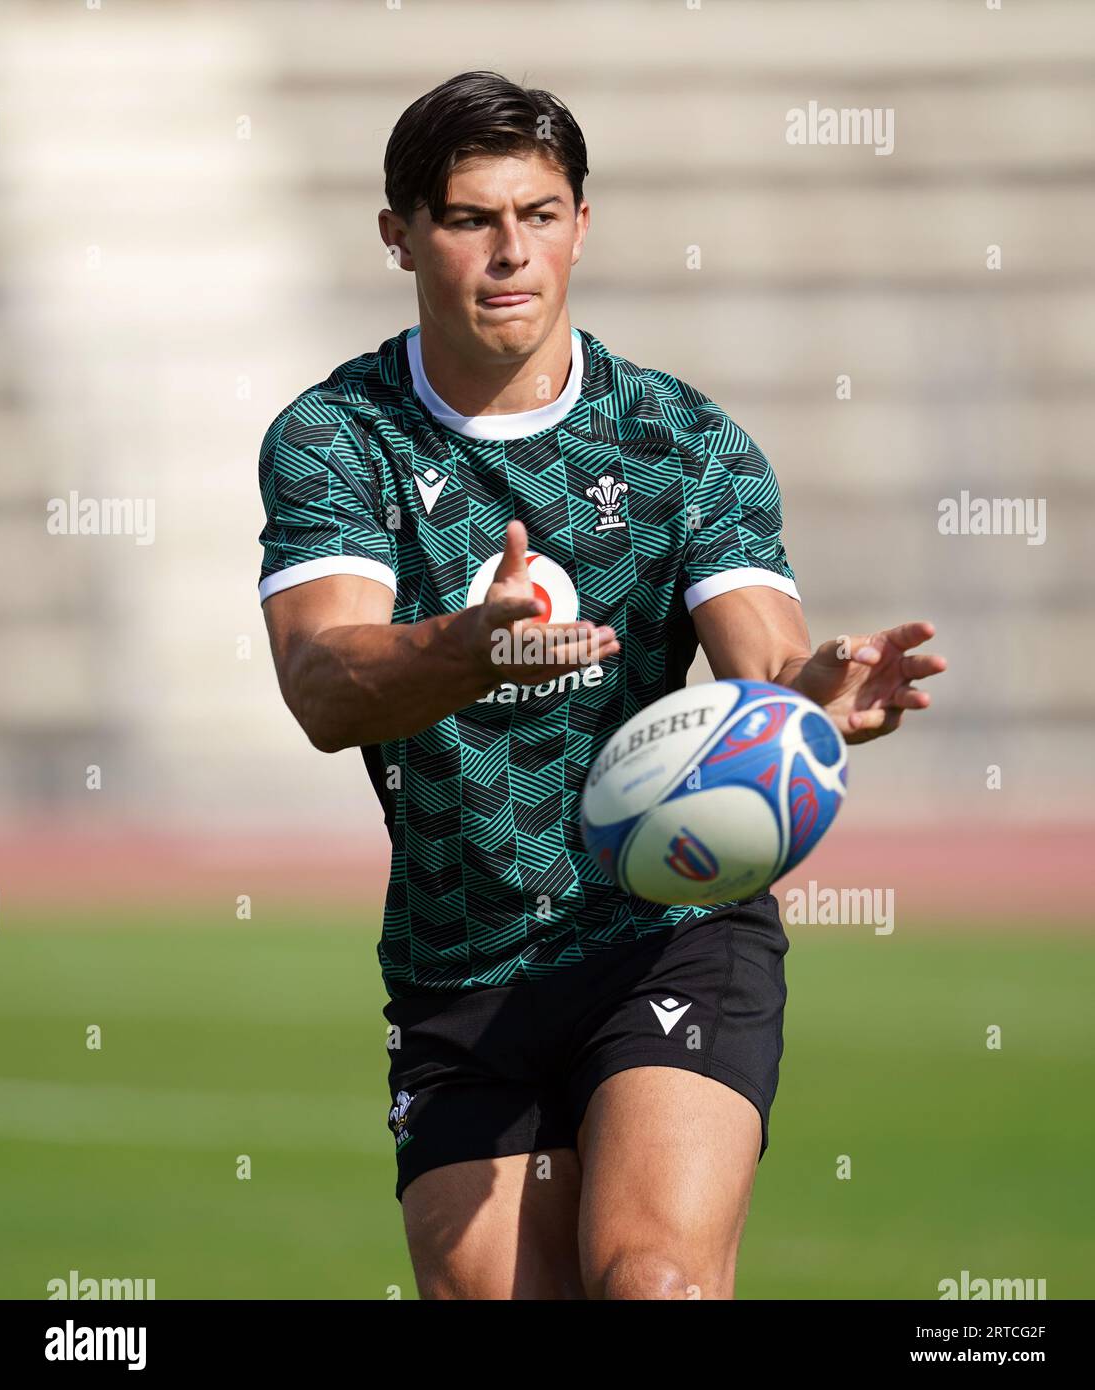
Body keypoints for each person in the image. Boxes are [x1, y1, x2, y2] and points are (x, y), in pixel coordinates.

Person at [256, 70, 946, 1300]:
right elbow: (321, 682)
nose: (509, 252)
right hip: (458, 953)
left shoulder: (680, 439)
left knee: (653, 1282)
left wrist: (816, 697)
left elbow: (766, 663)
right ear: (398, 233)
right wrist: (470, 645)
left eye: (540, 213)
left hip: (667, 926)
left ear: (581, 222)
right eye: (470, 218)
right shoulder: (336, 438)